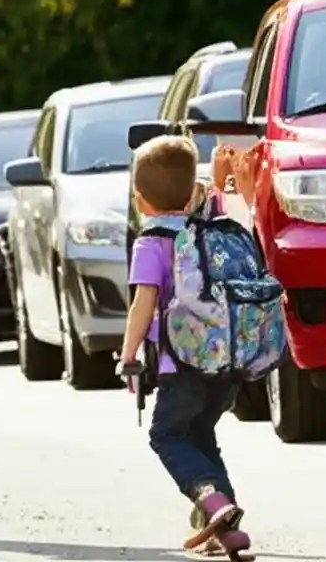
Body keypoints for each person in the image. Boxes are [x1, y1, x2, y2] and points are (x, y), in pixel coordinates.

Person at [118, 135, 255, 558]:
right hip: (227, 365)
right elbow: (234, 209)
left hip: (182, 368)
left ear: (141, 201)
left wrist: (127, 356)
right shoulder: (209, 227)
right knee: (202, 436)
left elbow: (144, 303)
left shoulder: (151, 241)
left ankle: (216, 504)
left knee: (168, 434)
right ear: (194, 190)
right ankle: (226, 530)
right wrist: (223, 179)